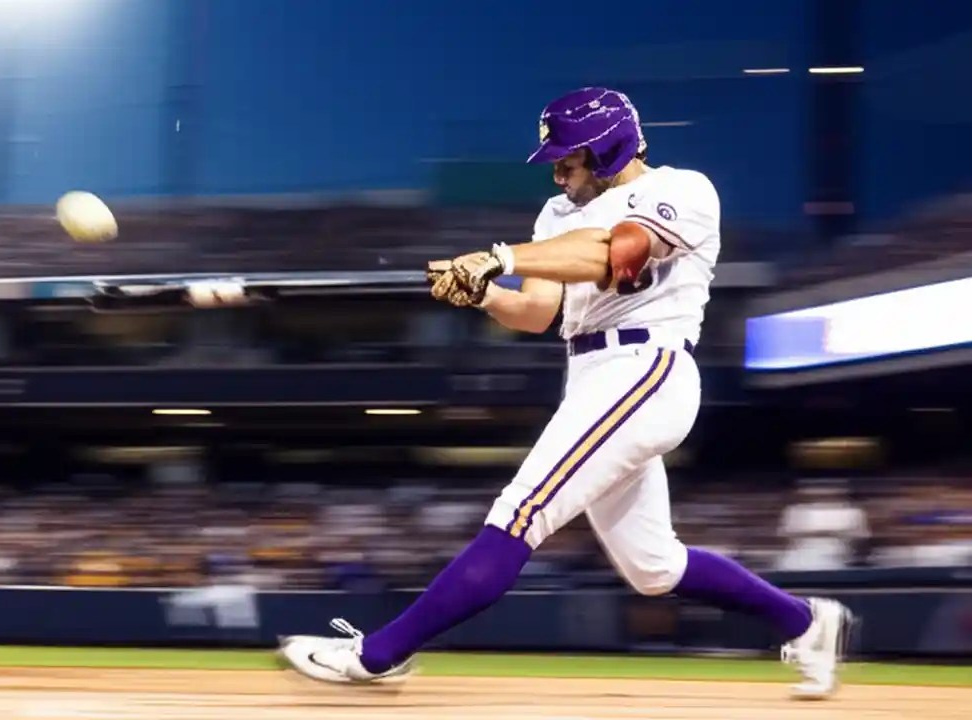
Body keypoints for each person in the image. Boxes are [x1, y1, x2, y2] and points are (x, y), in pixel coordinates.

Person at [278, 87, 856, 700]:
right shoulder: (556, 215)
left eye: (568, 161)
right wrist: (481, 293)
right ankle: (808, 623)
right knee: (654, 567)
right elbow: (536, 311)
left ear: (608, 151)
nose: (557, 173)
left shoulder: (683, 190)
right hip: (590, 377)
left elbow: (614, 254)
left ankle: (376, 655)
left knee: (520, 514)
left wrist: (497, 257)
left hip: (646, 368)